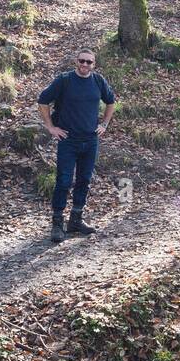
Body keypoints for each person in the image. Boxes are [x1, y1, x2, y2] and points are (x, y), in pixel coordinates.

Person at [37, 47, 116, 241]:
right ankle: (57, 224)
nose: (85, 65)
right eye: (82, 61)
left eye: (89, 62)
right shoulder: (64, 80)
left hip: (90, 140)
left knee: (84, 180)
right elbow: (42, 100)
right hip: (68, 140)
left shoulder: (98, 81)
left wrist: (104, 124)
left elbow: (111, 102)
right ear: (76, 61)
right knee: (63, 181)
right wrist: (51, 127)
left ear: (94, 64)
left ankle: (75, 220)